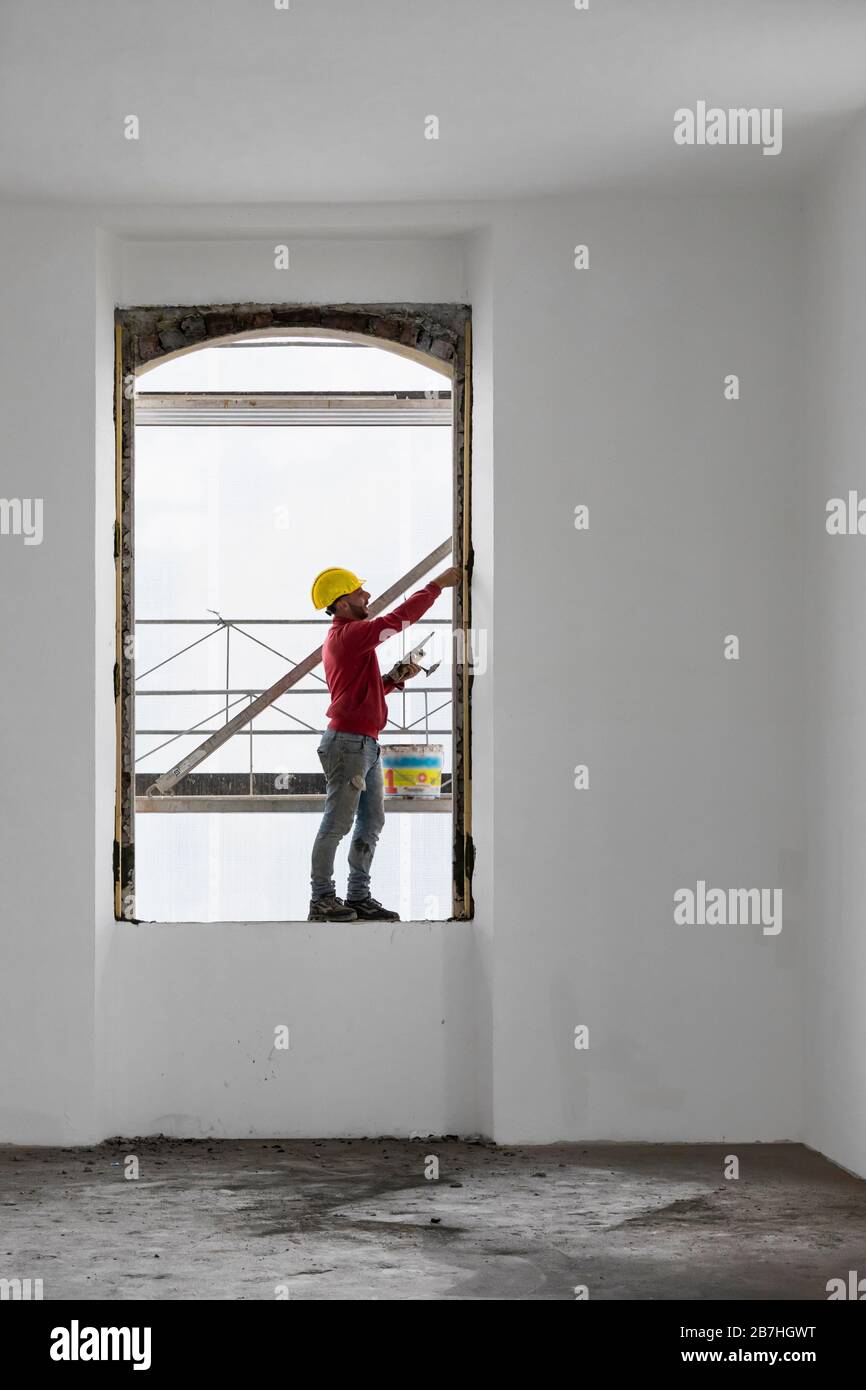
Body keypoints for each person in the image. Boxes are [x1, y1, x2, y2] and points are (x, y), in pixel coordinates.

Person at [307, 562, 461, 921]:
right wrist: (437, 585)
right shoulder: (350, 634)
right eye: (359, 592)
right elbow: (398, 620)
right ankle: (321, 899)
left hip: (364, 745)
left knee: (371, 822)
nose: (367, 596)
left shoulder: (345, 639)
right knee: (337, 823)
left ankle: (357, 896)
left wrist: (392, 678)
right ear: (342, 603)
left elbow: (358, 692)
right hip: (349, 745)